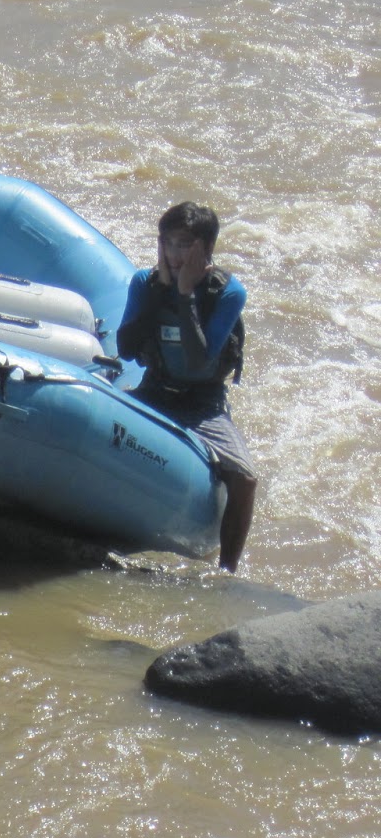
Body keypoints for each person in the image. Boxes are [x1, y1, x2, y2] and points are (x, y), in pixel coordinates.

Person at [116, 201, 257, 572]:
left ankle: (227, 572)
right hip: (154, 390)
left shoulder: (227, 294)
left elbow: (199, 361)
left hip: (203, 404)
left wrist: (184, 294)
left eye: (184, 245)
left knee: (245, 479)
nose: (175, 254)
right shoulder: (144, 282)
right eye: (168, 243)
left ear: (206, 250)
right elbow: (126, 350)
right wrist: (161, 290)